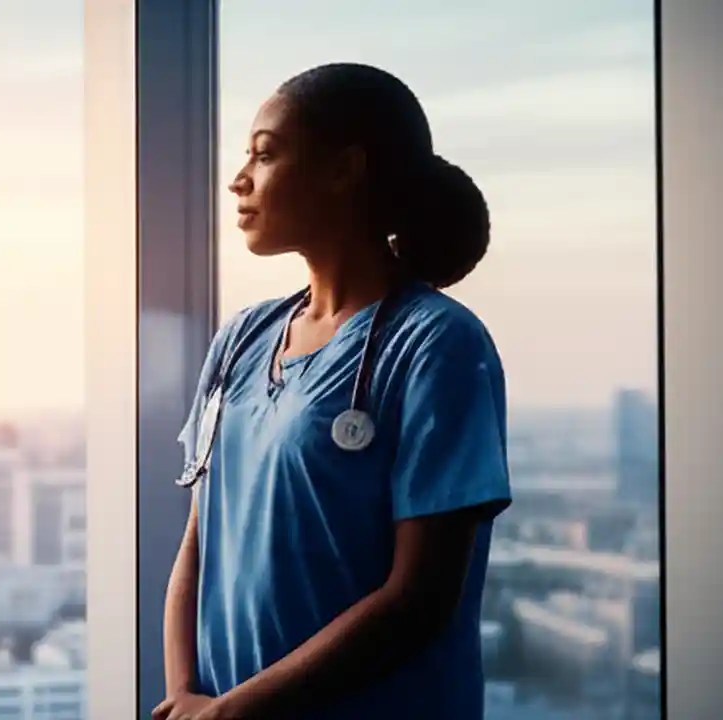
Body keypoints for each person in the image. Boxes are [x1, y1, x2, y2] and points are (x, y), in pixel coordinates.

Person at [152, 63, 513, 720]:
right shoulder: (241, 339)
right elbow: (199, 543)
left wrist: (234, 712)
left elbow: (419, 600)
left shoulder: (437, 345)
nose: (240, 179)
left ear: (345, 169)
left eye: (265, 155)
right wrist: (184, 697)